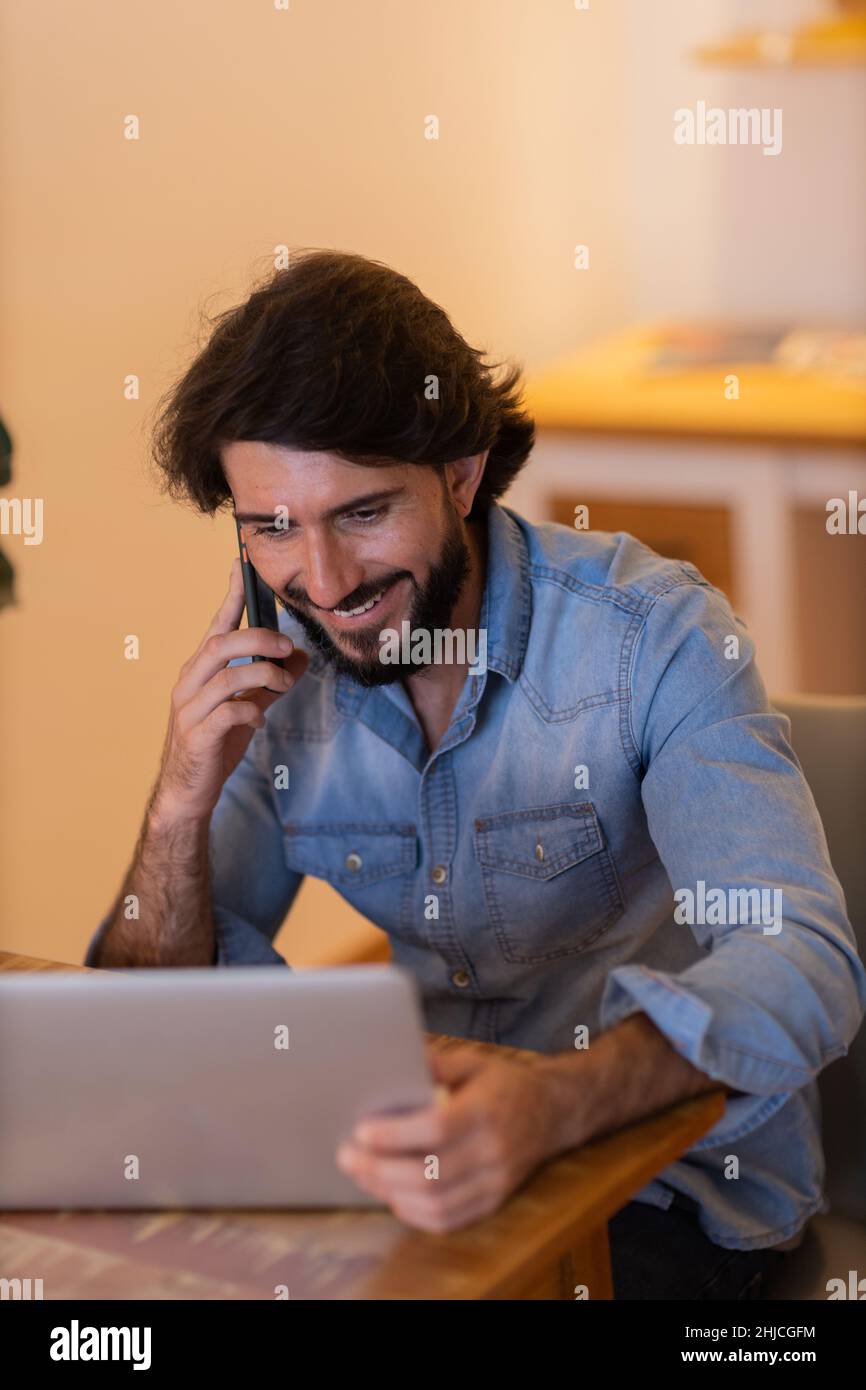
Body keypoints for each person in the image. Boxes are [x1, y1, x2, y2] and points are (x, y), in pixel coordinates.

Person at [85, 250, 866, 1299]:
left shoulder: (654, 636)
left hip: (658, 1193)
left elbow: (800, 958)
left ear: (459, 472)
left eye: (361, 513)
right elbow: (144, 1021)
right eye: (271, 526)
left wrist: (554, 1102)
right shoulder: (275, 673)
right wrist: (180, 797)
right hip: (408, 1187)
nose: (320, 581)